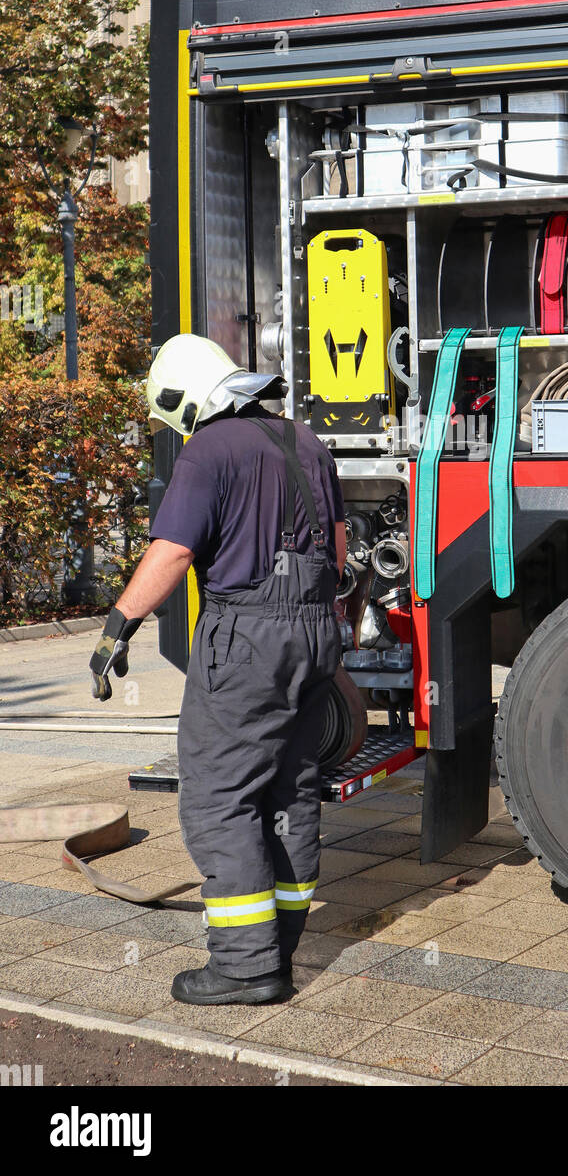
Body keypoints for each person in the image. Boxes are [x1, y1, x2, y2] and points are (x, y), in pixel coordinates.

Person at [89, 334, 346, 1005]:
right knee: (290, 792)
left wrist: (117, 629)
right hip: (317, 632)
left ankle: (244, 965)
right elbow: (340, 550)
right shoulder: (307, 443)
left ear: (189, 398)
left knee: (218, 798)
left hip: (248, 638)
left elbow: (173, 553)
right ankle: (281, 949)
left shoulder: (209, 450)